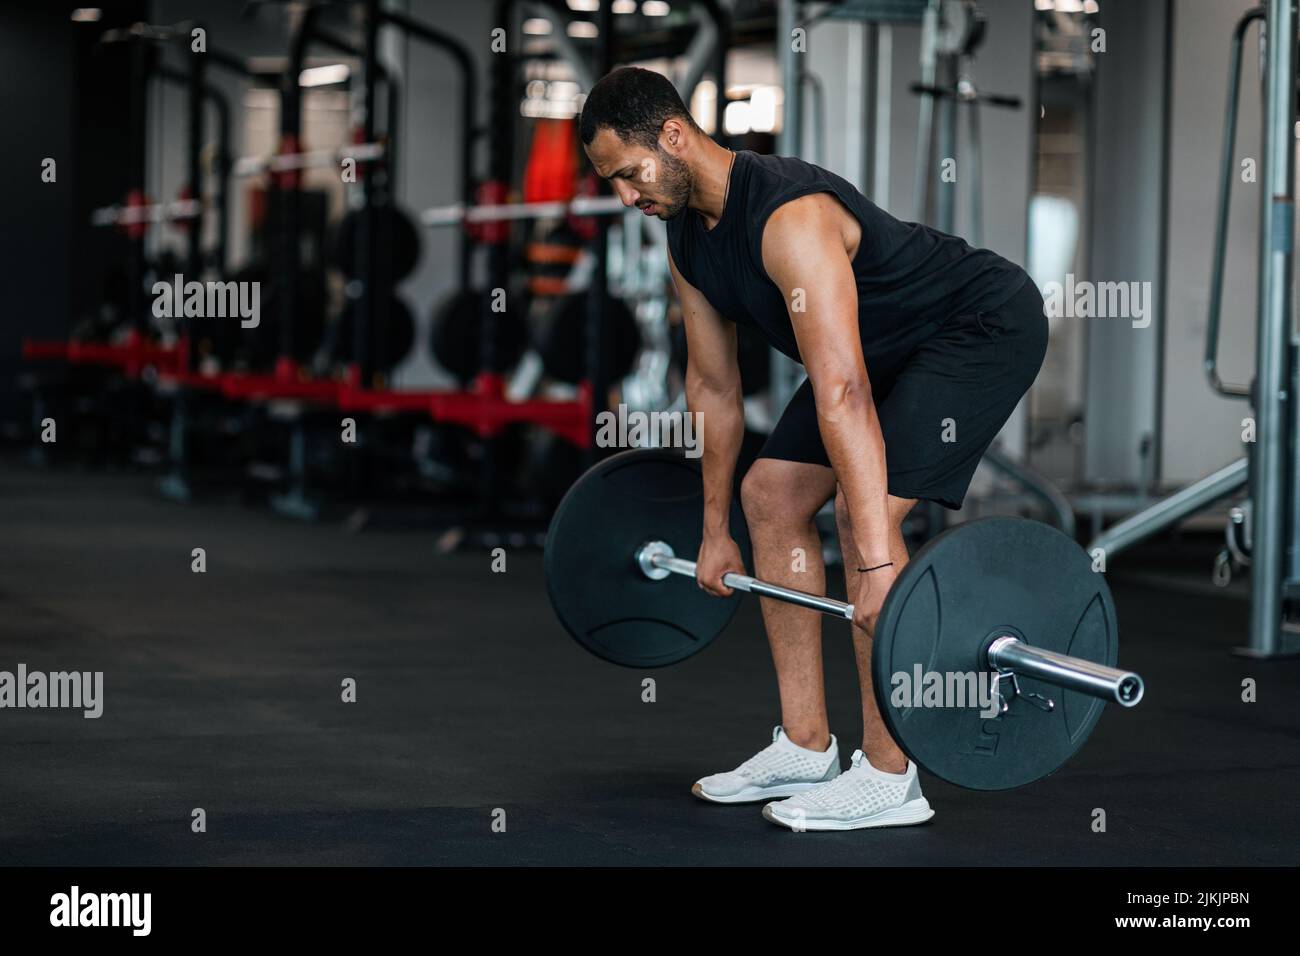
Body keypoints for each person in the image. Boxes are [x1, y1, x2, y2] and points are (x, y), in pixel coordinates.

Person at [579, 66, 1048, 831]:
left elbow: (843, 393)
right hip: (877, 354)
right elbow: (714, 388)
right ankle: (805, 744)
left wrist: (870, 560)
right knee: (770, 498)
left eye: (629, 174)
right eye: (615, 183)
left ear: (672, 135)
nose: (627, 196)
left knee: (874, 525)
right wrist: (713, 531)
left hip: (974, 329)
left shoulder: (789, 217)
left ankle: (891, 776)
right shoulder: (686, 240)